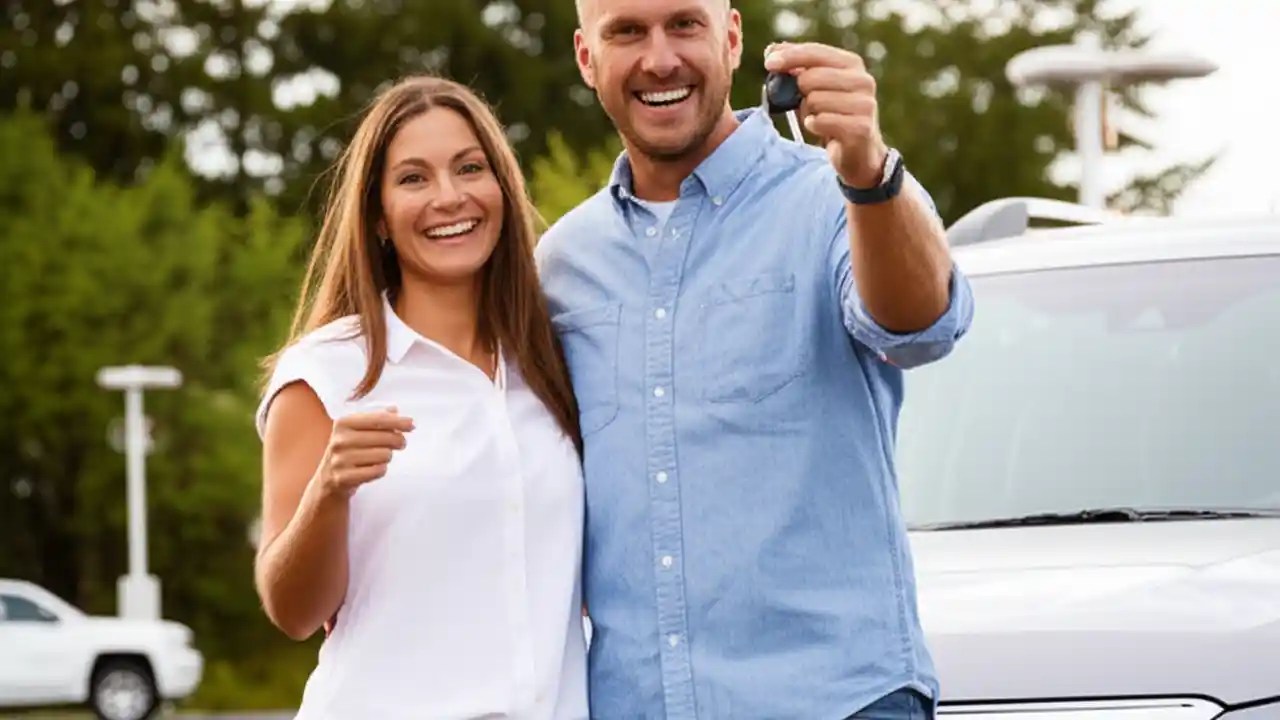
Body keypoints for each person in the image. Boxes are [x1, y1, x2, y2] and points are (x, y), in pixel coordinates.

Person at [535, 1, 975, 718]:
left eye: (684, 24)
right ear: (587, 58)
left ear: (732, 38)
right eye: (626, 32)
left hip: (838, 702)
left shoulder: (840, 197)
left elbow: (921, 328)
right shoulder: (560, 265)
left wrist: (868, 170)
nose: (659, 58)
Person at [252, 75, 588, 719]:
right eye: (413, 178)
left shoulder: (554, 360)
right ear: (377, 213)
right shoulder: (325, 374)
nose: (449, 197)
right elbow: (292, 612)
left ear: (502, 188)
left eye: (469, 168)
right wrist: (329, 491)